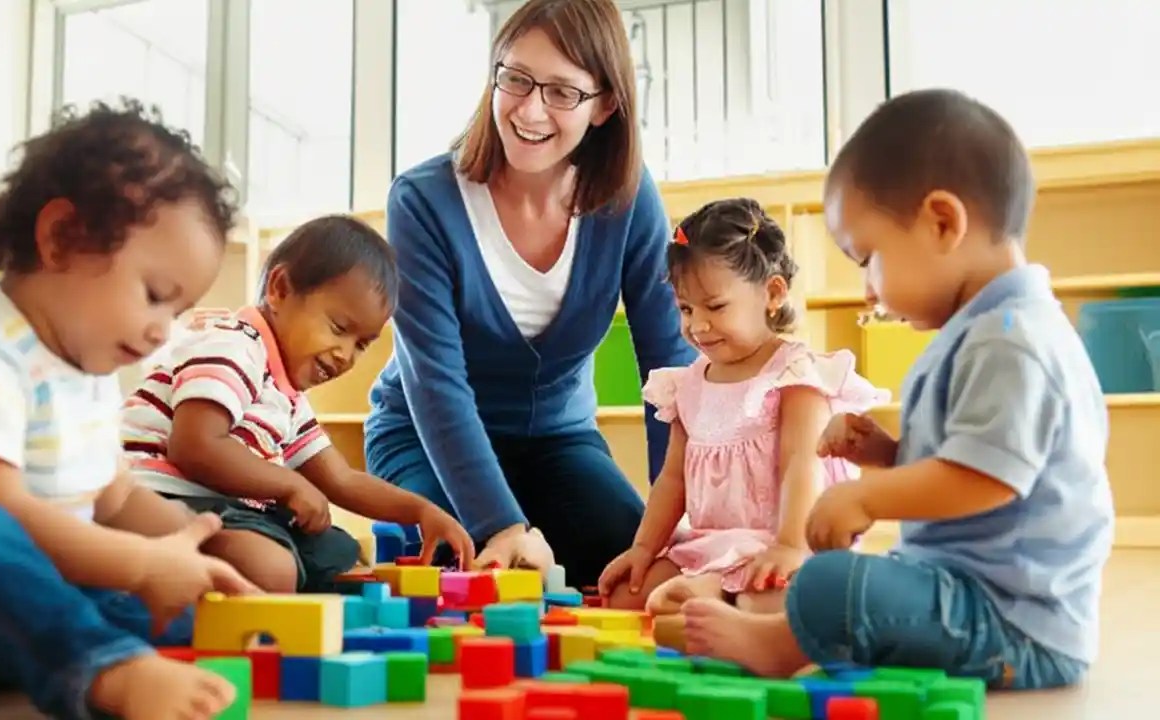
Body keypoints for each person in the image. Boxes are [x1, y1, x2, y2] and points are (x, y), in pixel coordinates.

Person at [680, 89, 1113, 691]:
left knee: (832, 584)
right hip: (976, 594)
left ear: (942, 222)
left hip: (1015, 622)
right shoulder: (989, 332)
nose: (868, 289)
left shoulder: (1011, 341)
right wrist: (885, 453)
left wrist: (868, 497)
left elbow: (986, 479)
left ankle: (779, 646)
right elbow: (969, 462)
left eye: (870, 258)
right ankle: (801, 629)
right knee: (841, 582)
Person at [0, 100, 261, 720]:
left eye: (177, 311)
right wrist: (140, 565)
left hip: (40, 606)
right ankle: (107, 670)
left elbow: (114, 499)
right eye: (156, 297)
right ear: (61, 238)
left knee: (196, 610)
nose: (163, 331)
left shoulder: (87, 368)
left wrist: (196, 550)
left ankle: (111, 649)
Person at [363, 0, 694, 588]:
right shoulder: (422, 201)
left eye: (563, 92)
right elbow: (435, 382)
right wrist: (502, 525)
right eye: (515, 78)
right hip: (424, 435)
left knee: (637, 565)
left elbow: (669, 365)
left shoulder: (627, 196)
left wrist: (684, 522)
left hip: (558, 441)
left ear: (605, 105)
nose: (530, 109)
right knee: (467, 578)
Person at [120, 215, 475, 592]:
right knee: (272, 568)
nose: (345, 355)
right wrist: (289, 485)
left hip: (219, 506)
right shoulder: (233, 347)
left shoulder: (287, 395)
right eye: (339, 328)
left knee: (340, 553)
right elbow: (194, 446)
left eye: (361, 344)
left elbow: (341, 479)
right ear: (280, 289)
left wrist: (421, 510)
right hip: (156, 497)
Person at [597, 198, 889, 613]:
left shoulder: (794, 375)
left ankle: (717, 598)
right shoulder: (688, 385)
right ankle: (712, 591)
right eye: (685, 308)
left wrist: (789, 546)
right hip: (708, 547)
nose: (697, 326)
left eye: (715, 307)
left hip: (778, 540)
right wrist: (643, 549)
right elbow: (673, 481)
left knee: (768, 606)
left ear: (772, 293)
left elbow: (799, 465)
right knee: (625, 599)